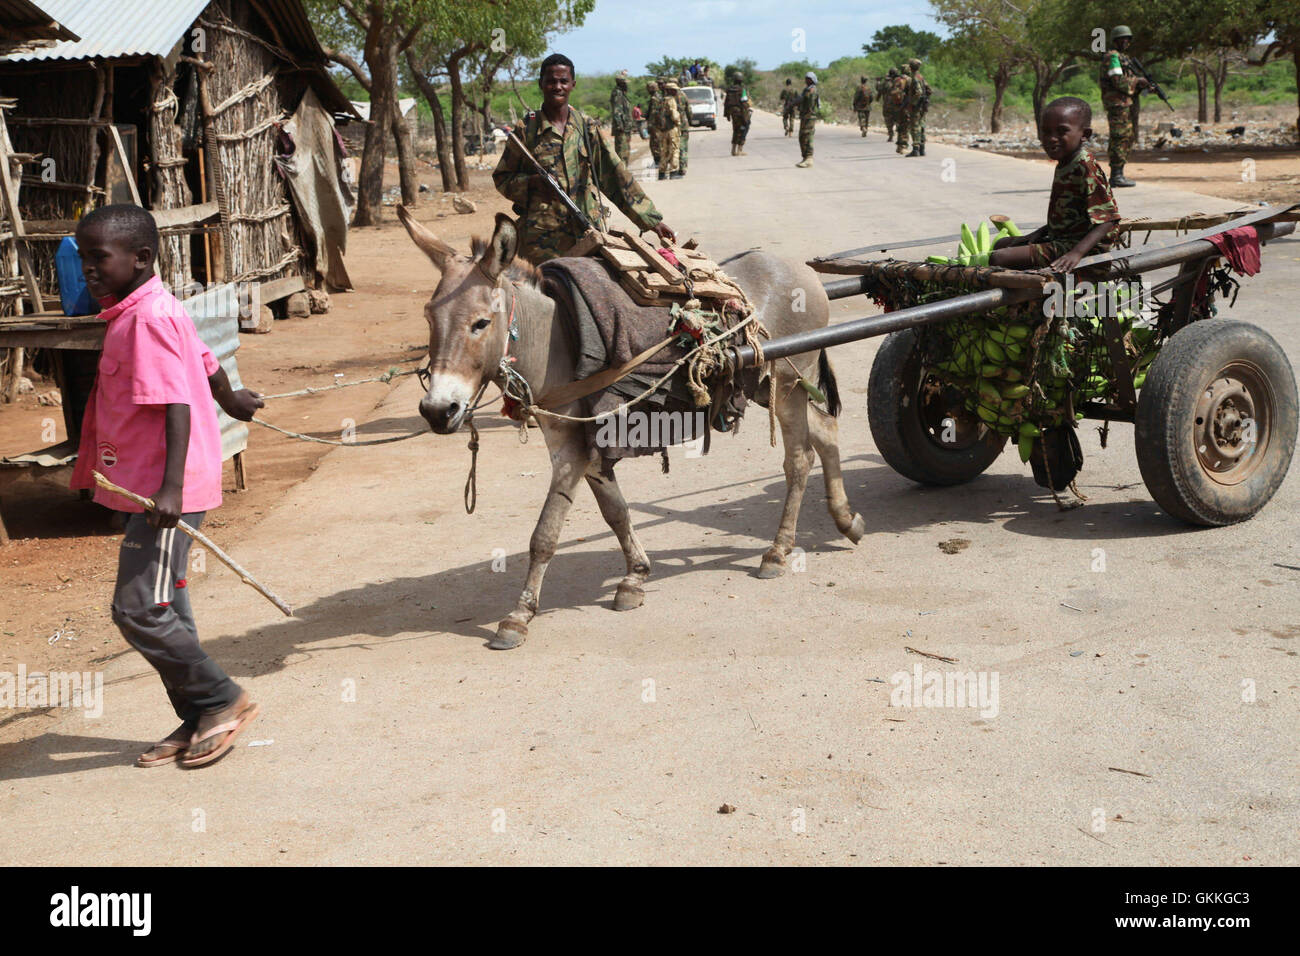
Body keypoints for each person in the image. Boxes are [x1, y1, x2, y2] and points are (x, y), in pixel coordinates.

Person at [68, 204, 264, 769]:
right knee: (166, 602)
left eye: (99, 258)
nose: (89, 270)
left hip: (163, 489)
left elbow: (176, 405)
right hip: (151, 487)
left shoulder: (148, 319)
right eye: (84, 258)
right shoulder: (149, 310)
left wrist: (169, 491)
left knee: (138, 608)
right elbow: (203, 364)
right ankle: (199, 714)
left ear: (142, 258)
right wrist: (230, 398)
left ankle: (222, 699)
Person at [493, 54, 675, 262]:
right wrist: (532, 184)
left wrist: (651, 220)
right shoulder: (526, 130)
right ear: (541, 84)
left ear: (573, 85)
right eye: (551, 81)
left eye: (563, 81)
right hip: (543, 241)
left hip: (587, 233)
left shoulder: (586, 128)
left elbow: (615, 176)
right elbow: (502, 179)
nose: (557, 87)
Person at [989, 97, 1121, 273]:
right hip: (1063, 239)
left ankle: (1024, 296)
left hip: (1085, 248)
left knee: (999, 258)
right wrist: (1038, 233)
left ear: (1085, 135)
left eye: (1062, 131)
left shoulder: (1084, 167)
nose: (1052, 138)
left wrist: (1076, 254)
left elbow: (1109, 221)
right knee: (1000, 244)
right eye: (1046, 131)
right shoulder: (1066, 161)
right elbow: (1071, 214)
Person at [1099, 24, 1148, 187]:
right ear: (1116, 40)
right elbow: (1118, 81)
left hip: (1124, 103)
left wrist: (1145, 86)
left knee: (1126, 136)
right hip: (1117, 104)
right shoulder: (1113, 57)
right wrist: (1137, 81)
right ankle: (1116, 175)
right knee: (1120, 137)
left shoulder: (1123, 58)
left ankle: (1118, 173)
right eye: (1123, 39)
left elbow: (1127, 83)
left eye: (1128, 39)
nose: (1126, 42)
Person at [903, 58, 931, 157]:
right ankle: (922, 148)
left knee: (915, 127)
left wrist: (912, 103)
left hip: (917, 106)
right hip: (922, 105)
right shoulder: (921, 77)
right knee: (921, 125)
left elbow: (918, 92)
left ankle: (915, 149)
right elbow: (928, 90)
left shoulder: (914, 77)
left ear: (910, 67)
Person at [657, 78, 683, 179]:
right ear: (670, 90)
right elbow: (674, 115)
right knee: (674, 150)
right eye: (674, 90)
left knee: (664, 151)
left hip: (663, 130)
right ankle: (673, 172)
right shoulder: (671, 100)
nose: (676, 91)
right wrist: (678, 121)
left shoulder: (661, 100)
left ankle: (662, 173)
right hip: (672, 129)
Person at [723, 71, 752, 155]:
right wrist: (747, 111)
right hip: (740, 112)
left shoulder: (729, 89)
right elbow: (744, 101)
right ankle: (740, 149)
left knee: (736, 129)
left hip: (732, 113)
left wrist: (727, 114)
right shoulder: (742, 90)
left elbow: (726, 103)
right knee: (745, 127)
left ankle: (733, 149)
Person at [795, 70, 819, 168]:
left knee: (807, 137)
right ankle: (805, 157)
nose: (805, 80)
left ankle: (809, 158)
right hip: (805, 116)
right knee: (802, 137)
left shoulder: (812, 91)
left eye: (807, 79)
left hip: (809, 117)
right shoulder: (807, 90)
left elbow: (809, 104)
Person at [610, 70, 633, 165]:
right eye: (625, 83)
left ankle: (624, 172)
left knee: (626, 150)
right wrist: (620, 126)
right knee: (621, 151)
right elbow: (617, 112)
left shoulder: (621, 93)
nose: (626, 85)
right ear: (621, 83)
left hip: (625, 127)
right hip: (621, 128)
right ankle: (622, 174)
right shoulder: (617, 94)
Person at [890, 68, 911, 154]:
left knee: (900, 126)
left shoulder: (896, 80)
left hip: (896, 106)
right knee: (905, 126)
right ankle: (903, 146)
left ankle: (899, 146)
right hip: (905, 106)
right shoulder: (908, 80)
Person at [673, 78, 691, 179]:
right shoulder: (683, 95)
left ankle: (675, 167)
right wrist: (690, 120)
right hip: (683, 124)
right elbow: (689, 110)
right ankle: (683, 166)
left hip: (673, 125)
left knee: (674, 146)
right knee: (683, 146)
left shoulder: (669, 96)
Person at [645, 79, 662, 166]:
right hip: (657, 125)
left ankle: (658, 161)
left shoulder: (655, 98)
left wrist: (650, 126)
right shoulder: (658, 97)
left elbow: (654, 114)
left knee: (655, 143)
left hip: (655, 126)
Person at [880, 68, 899, 142]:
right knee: (898, 119)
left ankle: (891, 134)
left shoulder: (886, 83)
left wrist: (878, 82)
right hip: (898, 104)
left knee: (888, 120)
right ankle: (899, 133)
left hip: (888, 104)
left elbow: (879, 89)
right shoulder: (900, 81)